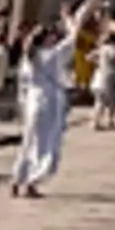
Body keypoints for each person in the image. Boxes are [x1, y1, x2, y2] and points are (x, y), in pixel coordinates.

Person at [9, 23, 70, 197]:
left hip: (32, 101)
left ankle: (17, 179)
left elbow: (23, 85)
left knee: (28, 142)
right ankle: (31, 181)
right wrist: (73, 22)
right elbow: (70, 42)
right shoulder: (50, 55)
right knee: (44, 144)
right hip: (46, 101)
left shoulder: (28, 58)